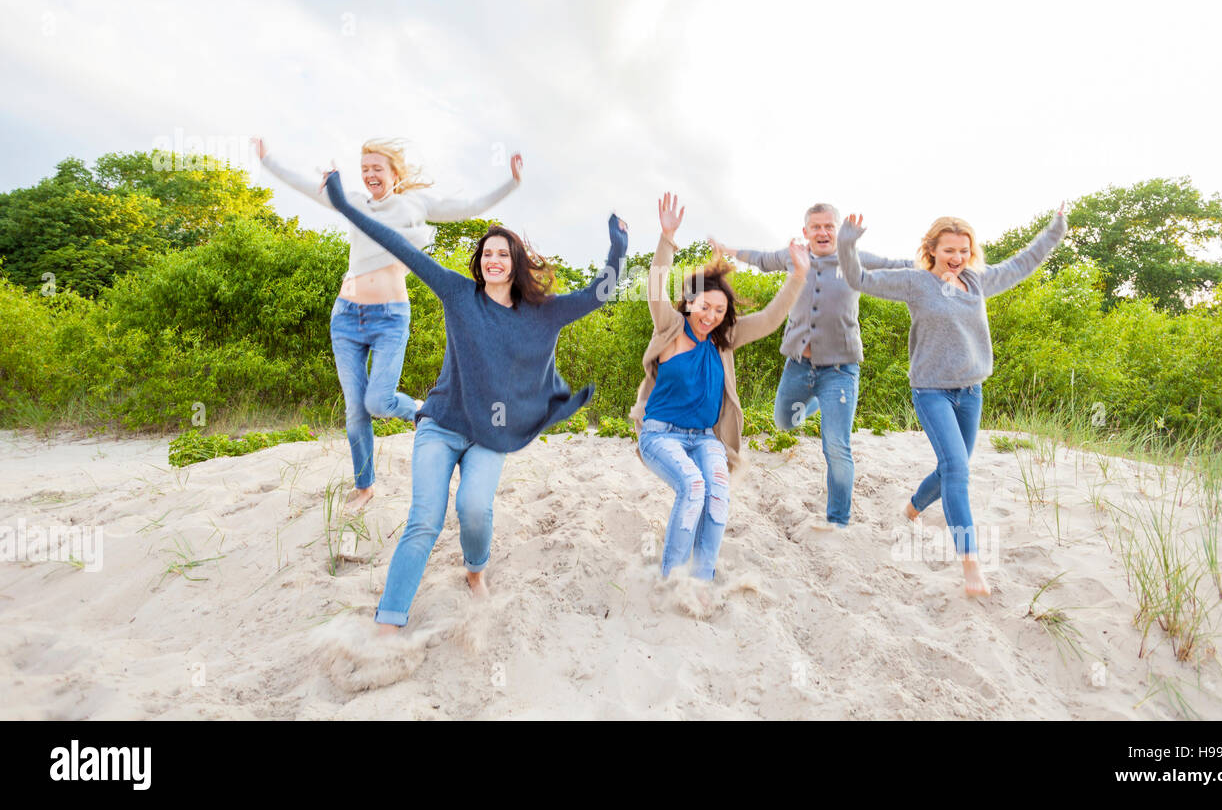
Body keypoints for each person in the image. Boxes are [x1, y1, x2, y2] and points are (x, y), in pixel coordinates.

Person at [321, 167, 627, 630]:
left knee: (473, 509)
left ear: (516, 261)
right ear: (479, 262)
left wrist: (618, 245)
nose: (494, 259)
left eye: (503, 253)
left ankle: (474, 569)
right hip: (441, 424)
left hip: (492, 435)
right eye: (487, 253)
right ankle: (389, 621)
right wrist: (344, 205)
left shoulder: (543, 314)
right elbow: (398, 244)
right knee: (424, 520)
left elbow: (602, 291)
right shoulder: (458, 294)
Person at [252, 137, 519, 510]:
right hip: (345, 317)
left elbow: (467, 207)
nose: (370, 175)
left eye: (377, 168)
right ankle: (365, 486)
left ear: (395, 172)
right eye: (364, 170)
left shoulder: (415, 205)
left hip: (390, 317)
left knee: (378, 400)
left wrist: (512, 182)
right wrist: (267, 159)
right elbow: (304, 186)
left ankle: (424, 411)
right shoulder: (355, 204)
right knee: (355, 409)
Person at [836, 204, 1067, 596]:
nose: (957, 258)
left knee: (950, 471)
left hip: (971, 393)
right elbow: (857, 277)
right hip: (931, 392)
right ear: (932, 250)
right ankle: (972, 565)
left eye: (963, 250)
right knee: (958, 471)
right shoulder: (915, 282)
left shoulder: (977, 282)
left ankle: (911, 508)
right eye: (949, 251)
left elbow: (1024, 261)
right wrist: (847, 243)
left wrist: (1056, 229)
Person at [632, 193, 809, 581]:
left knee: (716, 492)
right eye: (703, 307)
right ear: (690, 303)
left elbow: (769, 319)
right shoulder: (670, 327)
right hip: (661, 436)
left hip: (706, 439)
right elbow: (655, 287)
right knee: (693, 486)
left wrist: (797, 276)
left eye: (719, 310)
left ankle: (702, 579)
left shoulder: (724, 339)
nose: (710, 316)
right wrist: (667, 238)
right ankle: (672, 579)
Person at [712, 203, 911, 528]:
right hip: (798, 366)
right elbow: (762, 259)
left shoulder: (854, 259)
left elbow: (898, 266)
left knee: (836, 445)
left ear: (838, 229)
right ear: (806, 232)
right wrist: (727, 250)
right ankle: (817, 403)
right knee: (784, 421)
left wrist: (938, 267)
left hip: (841, 370)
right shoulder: (794, 256)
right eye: (815, 227)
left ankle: (838, 521)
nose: (822, 232)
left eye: (829, 226)